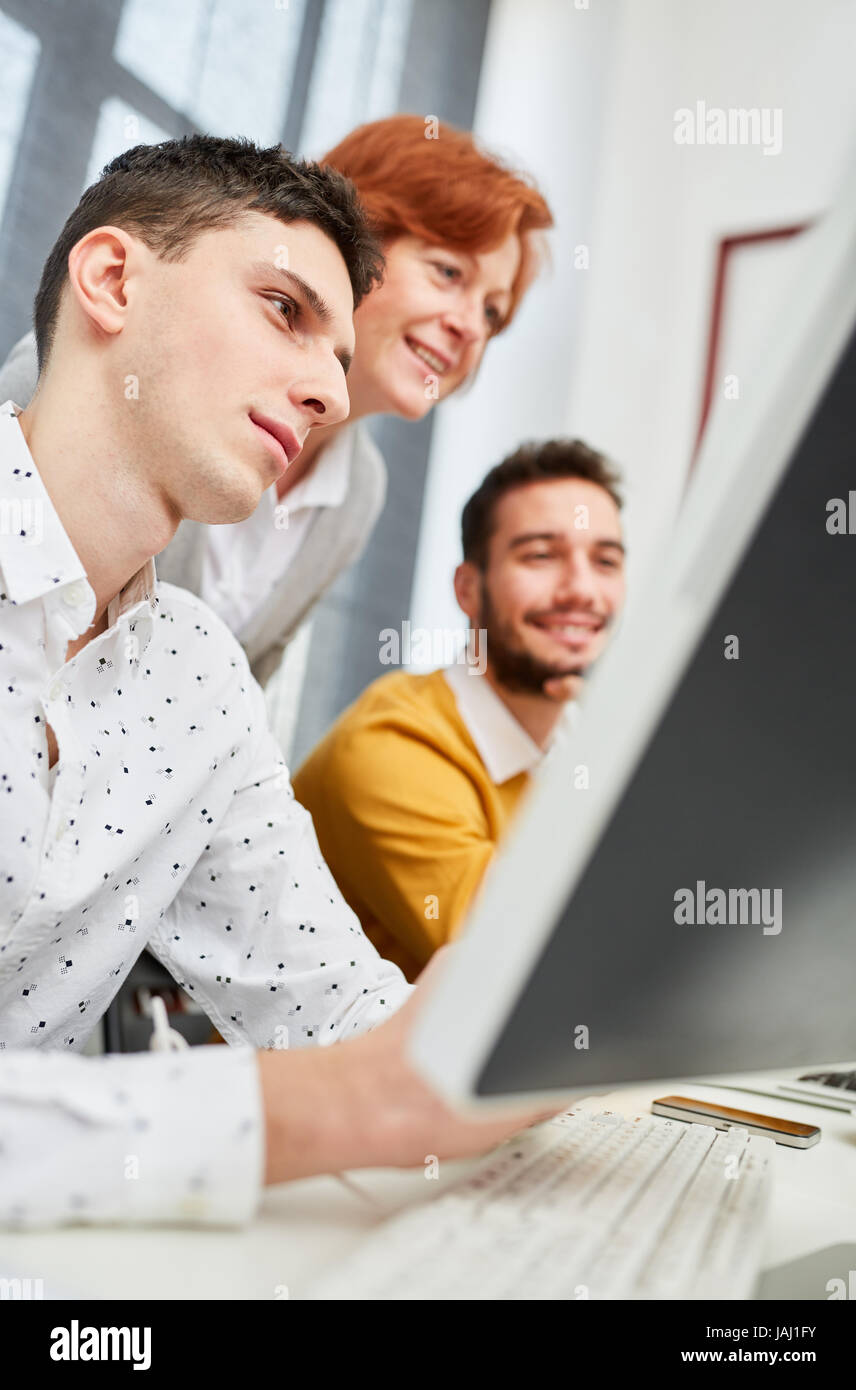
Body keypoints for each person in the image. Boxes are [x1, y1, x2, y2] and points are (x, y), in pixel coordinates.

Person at [0, 135, 553, 1229]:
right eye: (283, 310)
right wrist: (331, 1108)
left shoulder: (198, 676)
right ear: (113, 280)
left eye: (336, 357)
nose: (321, 394)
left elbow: (337, 1009)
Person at [0, 116, 553, 687]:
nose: (471, 328)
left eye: (493, 312)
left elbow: (240, 690)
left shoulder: (358, 492)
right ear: (357, 242)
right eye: (448, 273)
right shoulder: (88, 368)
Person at [293, 441, 626, 981]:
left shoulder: (580, 748)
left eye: (605, 561)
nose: (582, 590)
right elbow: (532, 969)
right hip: (310, 1065)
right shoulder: (393, 746)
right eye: (541, 555)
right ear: (468, 589)